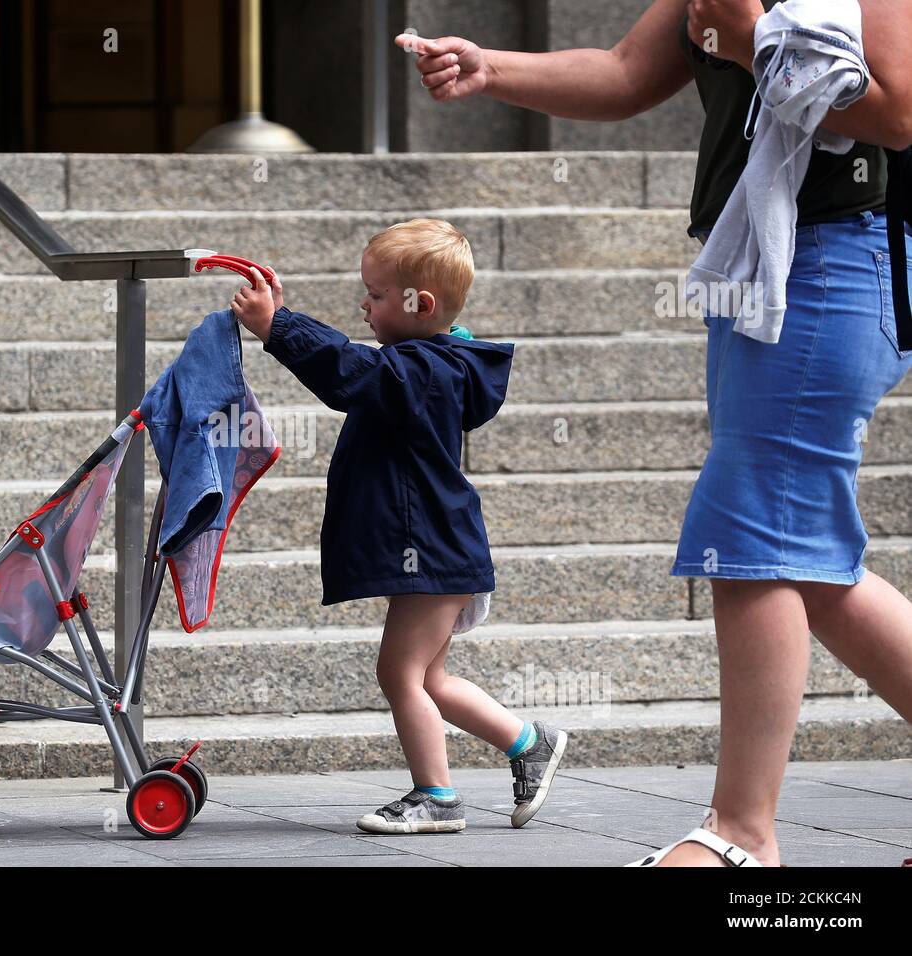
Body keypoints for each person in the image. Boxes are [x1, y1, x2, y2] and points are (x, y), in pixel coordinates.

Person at [399, 0, 912, 865]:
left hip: (831, 260)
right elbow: (628, 69)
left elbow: (897, 109)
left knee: (752, 529)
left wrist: (749, 40)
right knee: (809, 566)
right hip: (766, 266)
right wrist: (493, 68)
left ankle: (741, 837)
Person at [230, 218, 569, 834]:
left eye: (378, 294)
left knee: (400, 673)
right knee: (428, 675)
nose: (365, 304)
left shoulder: (424, 373)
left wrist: (279, 327)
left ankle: (436, 797)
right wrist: (284, 316)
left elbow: (350, 375)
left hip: (433, 551)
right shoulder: (426, 366)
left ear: (422, 304)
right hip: (439, 549)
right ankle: (527, 741)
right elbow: (361, 371)